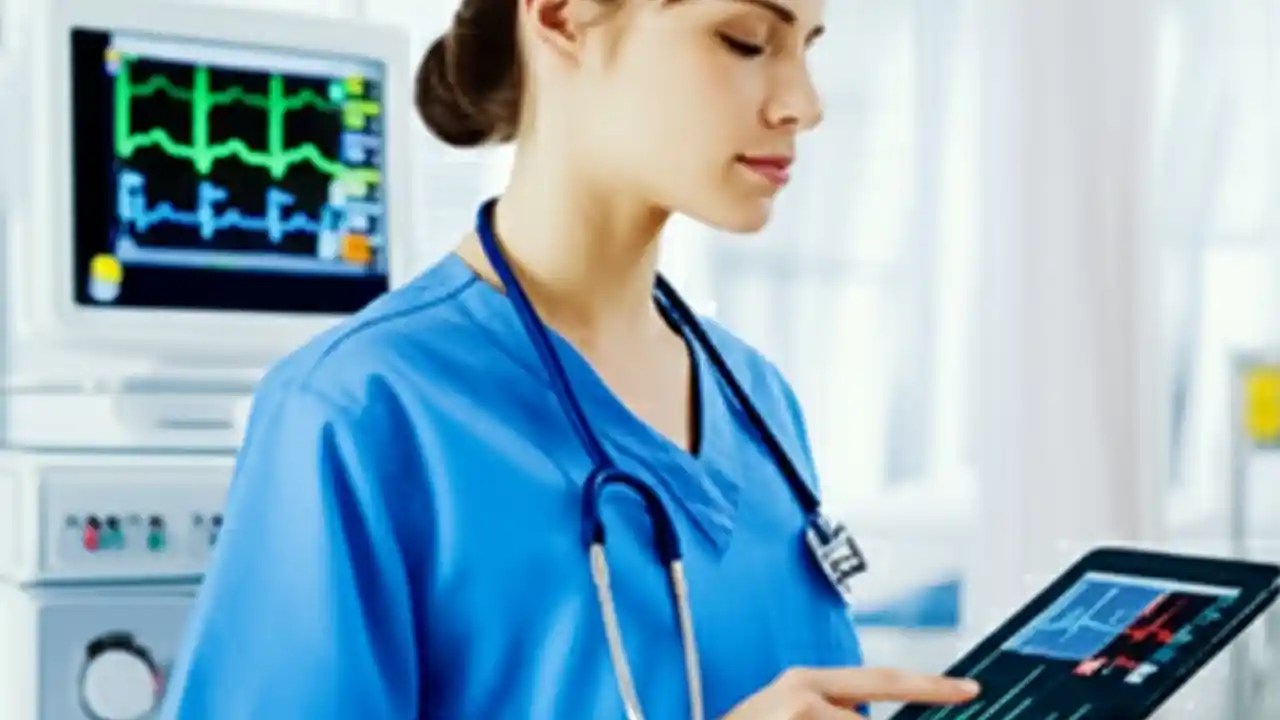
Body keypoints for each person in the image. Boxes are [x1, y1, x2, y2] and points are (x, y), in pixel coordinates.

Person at [161, 0, 982, 717]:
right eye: (744, 39)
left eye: (810, 46)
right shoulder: (357, 410)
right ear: (559, 15)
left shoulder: (759, 400)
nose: (804, 103)